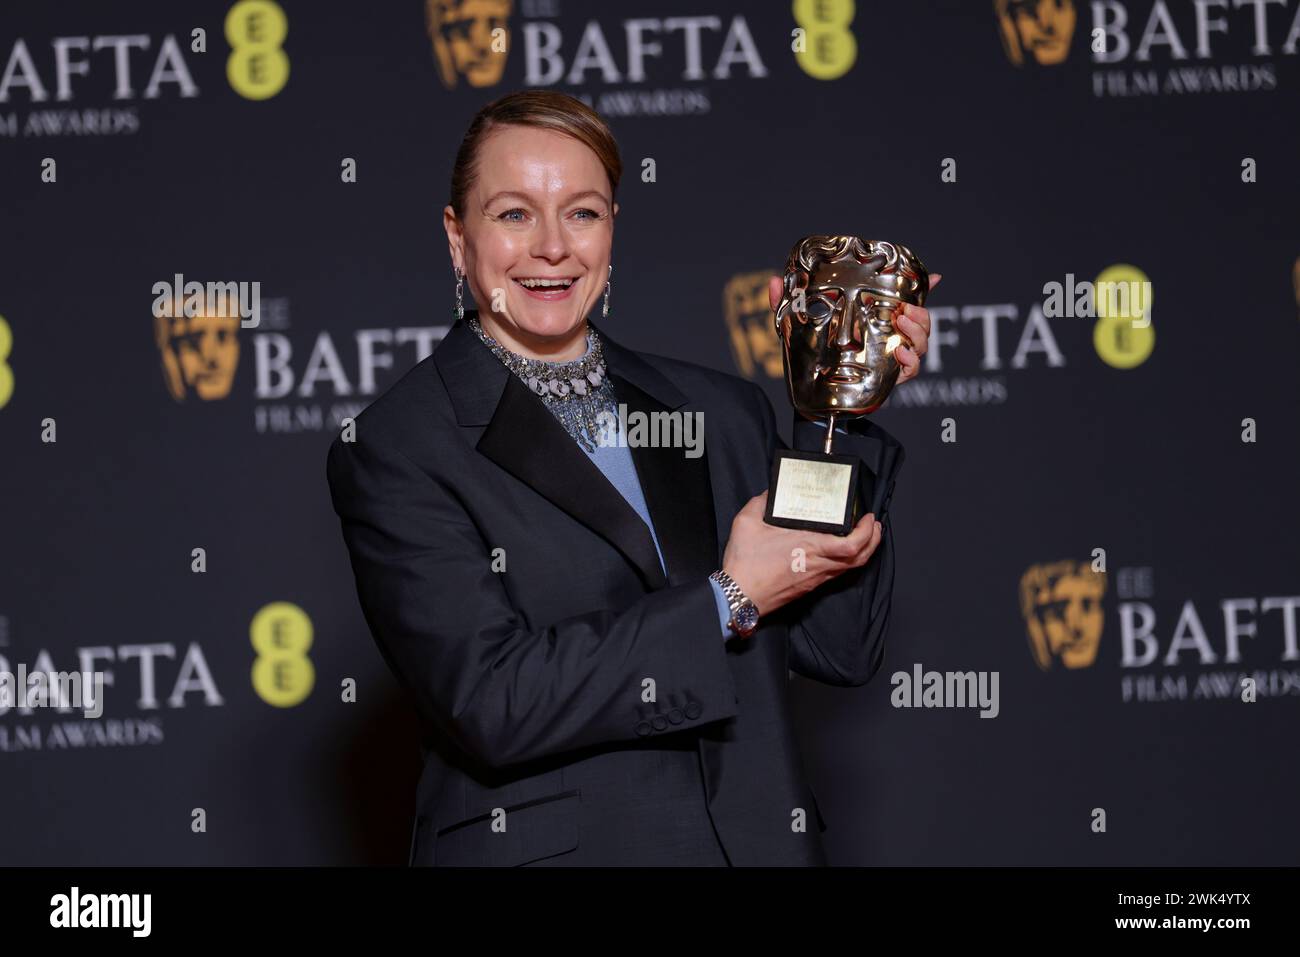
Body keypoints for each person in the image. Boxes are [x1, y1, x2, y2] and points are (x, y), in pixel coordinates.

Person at [325, 89, 936, 866]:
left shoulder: (719, 409)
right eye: (514, 214)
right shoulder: (398, 445)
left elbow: (838, 647)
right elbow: (491, 699)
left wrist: (835, 409)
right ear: (457, 236)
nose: (552, 247)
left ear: (612, 228)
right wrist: (728, 597)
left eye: (582, 212)